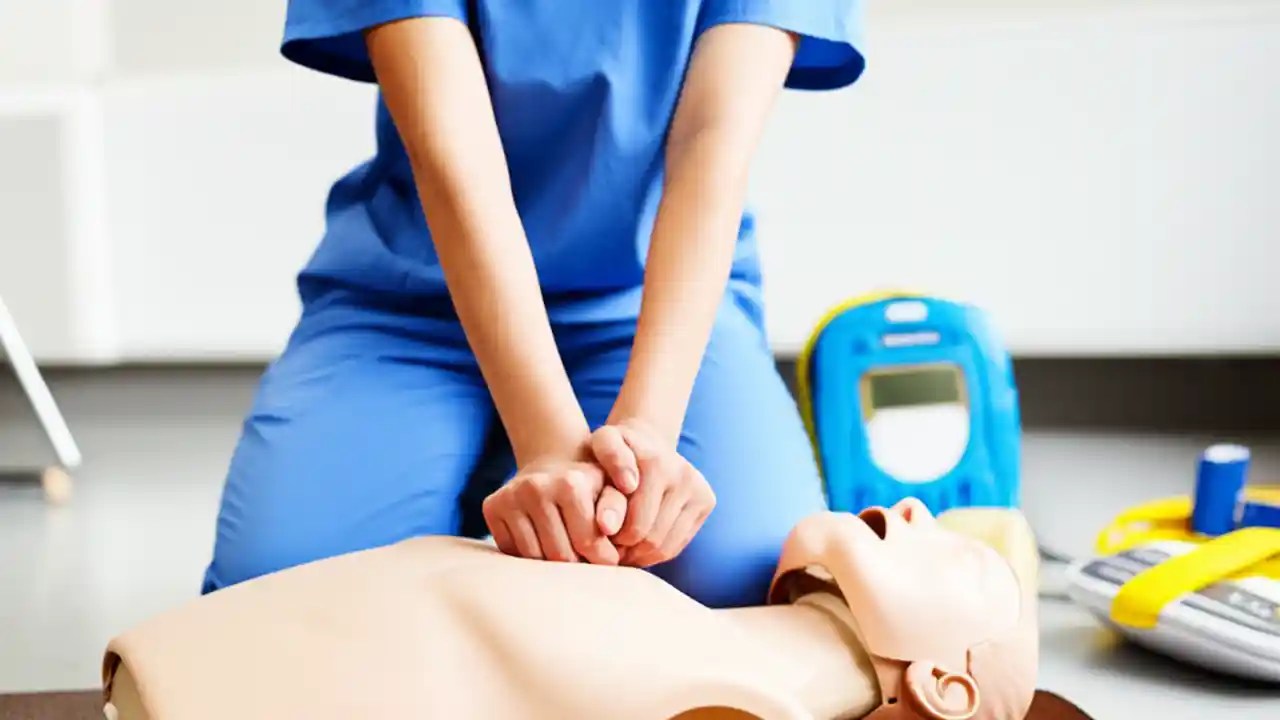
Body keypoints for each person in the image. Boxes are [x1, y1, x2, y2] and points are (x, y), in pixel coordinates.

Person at [201, 0, 867, 608]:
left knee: (747, 584)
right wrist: (549, 450)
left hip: (643, 301)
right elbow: (454, 154)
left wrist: (644, 442)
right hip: (408, 307)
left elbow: (711, 146)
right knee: (281, 596)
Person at [107, 503, 1043, 720]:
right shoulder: (704, 637)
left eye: (955, 559)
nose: (914, 510)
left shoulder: (738, 692)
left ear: (948, 690)